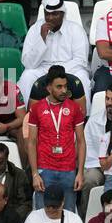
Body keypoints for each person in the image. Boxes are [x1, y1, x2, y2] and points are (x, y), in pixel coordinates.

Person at [25, 67, 84, 212]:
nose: (64, 90)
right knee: (41, 213)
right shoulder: (37, 108)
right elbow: (31, 142)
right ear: (49, 88)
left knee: (68, 213)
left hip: (68, 169)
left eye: (65, 86)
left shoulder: (75, 108)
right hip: (45, 168)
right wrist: (34, 174)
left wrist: (80, 172)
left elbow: (81, 141)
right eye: (59, 87)